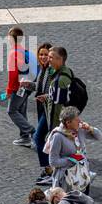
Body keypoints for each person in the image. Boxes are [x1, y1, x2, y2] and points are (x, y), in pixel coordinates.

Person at [46, 106, 100, 194]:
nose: (79, 121)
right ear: (68, 122)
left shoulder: (80, 130)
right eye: (76, 119)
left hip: (83, 174)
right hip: (67, 179)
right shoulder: (58, 137)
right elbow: (53, 161)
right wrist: (71, 159)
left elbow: (99, 136)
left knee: (84, 202)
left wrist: (90, 128)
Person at [4, 26, 35, 146]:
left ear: (11, 38)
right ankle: (25, 137)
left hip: (19, 87)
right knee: (21, 110)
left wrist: (9, 91)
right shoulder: (24, 50)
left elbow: (13, 75)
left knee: (11, 111)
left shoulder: (13, 53)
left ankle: (32, 131)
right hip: (28, 86)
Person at [30, 42, 55, 181]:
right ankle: (51, 169)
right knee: (46, 138)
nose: (43, 57)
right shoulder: (42, 69)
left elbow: (55, 92)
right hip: (42, 108)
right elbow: (40, 87)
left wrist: (46, 97)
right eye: (41, 54)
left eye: (46, 54)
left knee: (38, 137)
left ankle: (49, 170)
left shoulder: (51, 71)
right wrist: (29, 85)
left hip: (49, 110)